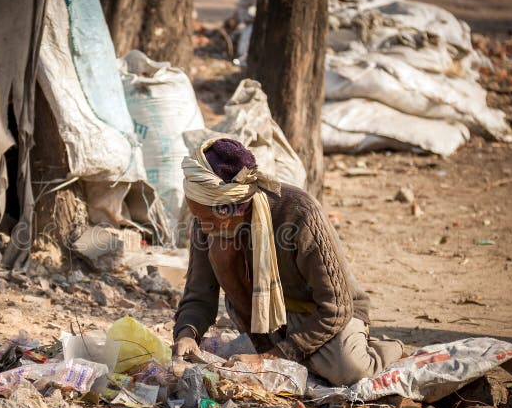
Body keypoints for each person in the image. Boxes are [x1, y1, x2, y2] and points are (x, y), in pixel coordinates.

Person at [172, 137, 403, 386]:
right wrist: (187, 334)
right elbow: (198, 296)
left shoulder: (299, 213)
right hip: (270, 317)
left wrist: (272, 358)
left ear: (232, 208)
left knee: (350, 369)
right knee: (220, 251)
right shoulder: (206, 220)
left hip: (323, 315)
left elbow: (336, 307)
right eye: (197, 217)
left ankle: (389, 349)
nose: (202, 228)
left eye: (207, 218)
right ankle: (288, 353)